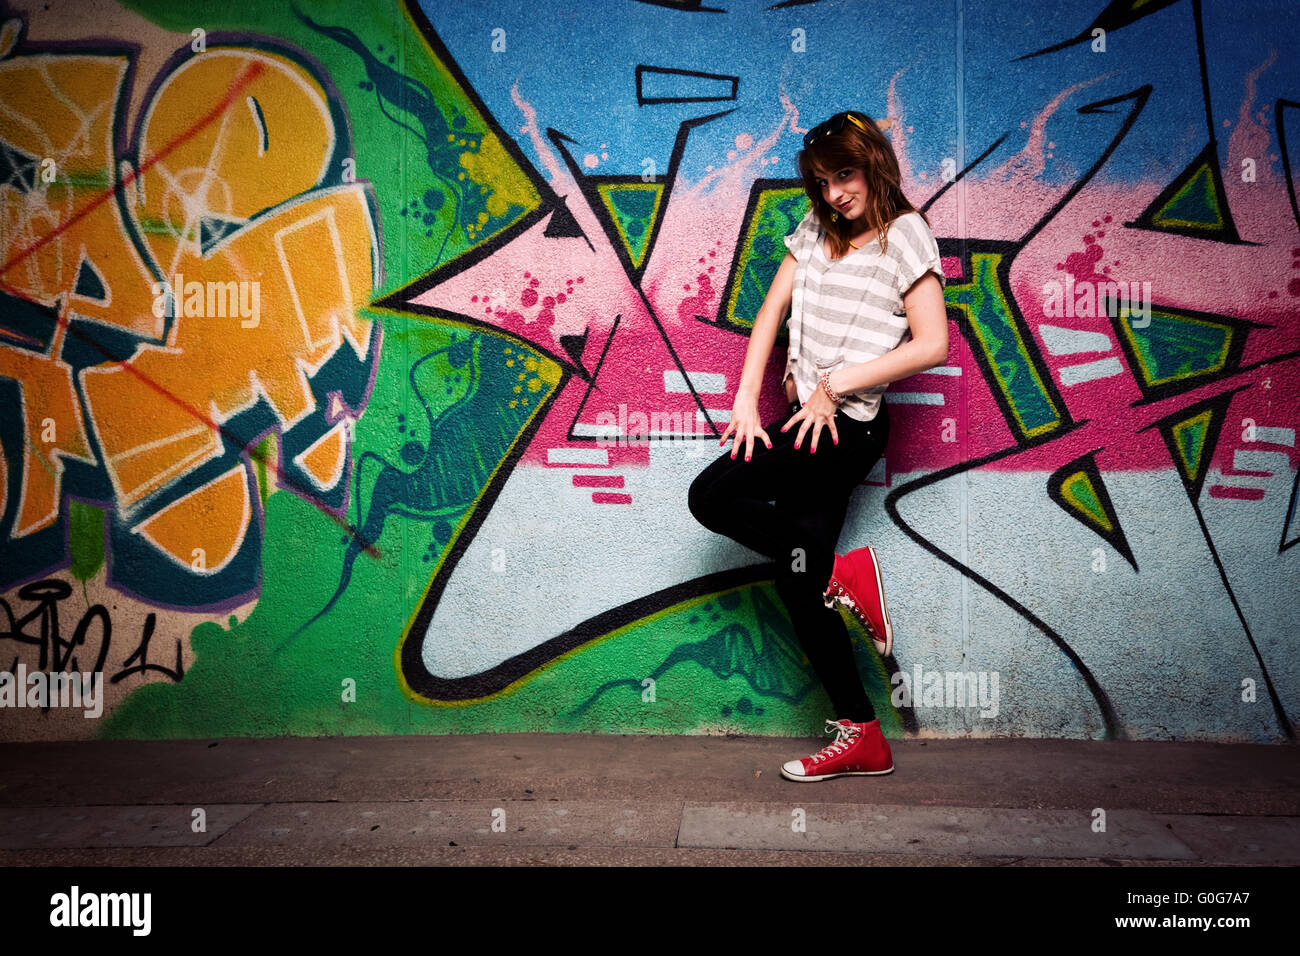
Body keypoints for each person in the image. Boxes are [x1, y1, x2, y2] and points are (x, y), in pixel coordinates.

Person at [687, 109, 948, 782]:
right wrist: (745, 400)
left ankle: (842, 575)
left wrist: (836, 383)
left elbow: (932, 344)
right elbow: (772, 311)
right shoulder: (817, 231)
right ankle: (864, 734)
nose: (834, 193)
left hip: (848, 425)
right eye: (823, 181)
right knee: (799, 584)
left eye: (845, 175)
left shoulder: (907, 234)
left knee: (711, 495)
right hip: (810, 417)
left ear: (873, 165)